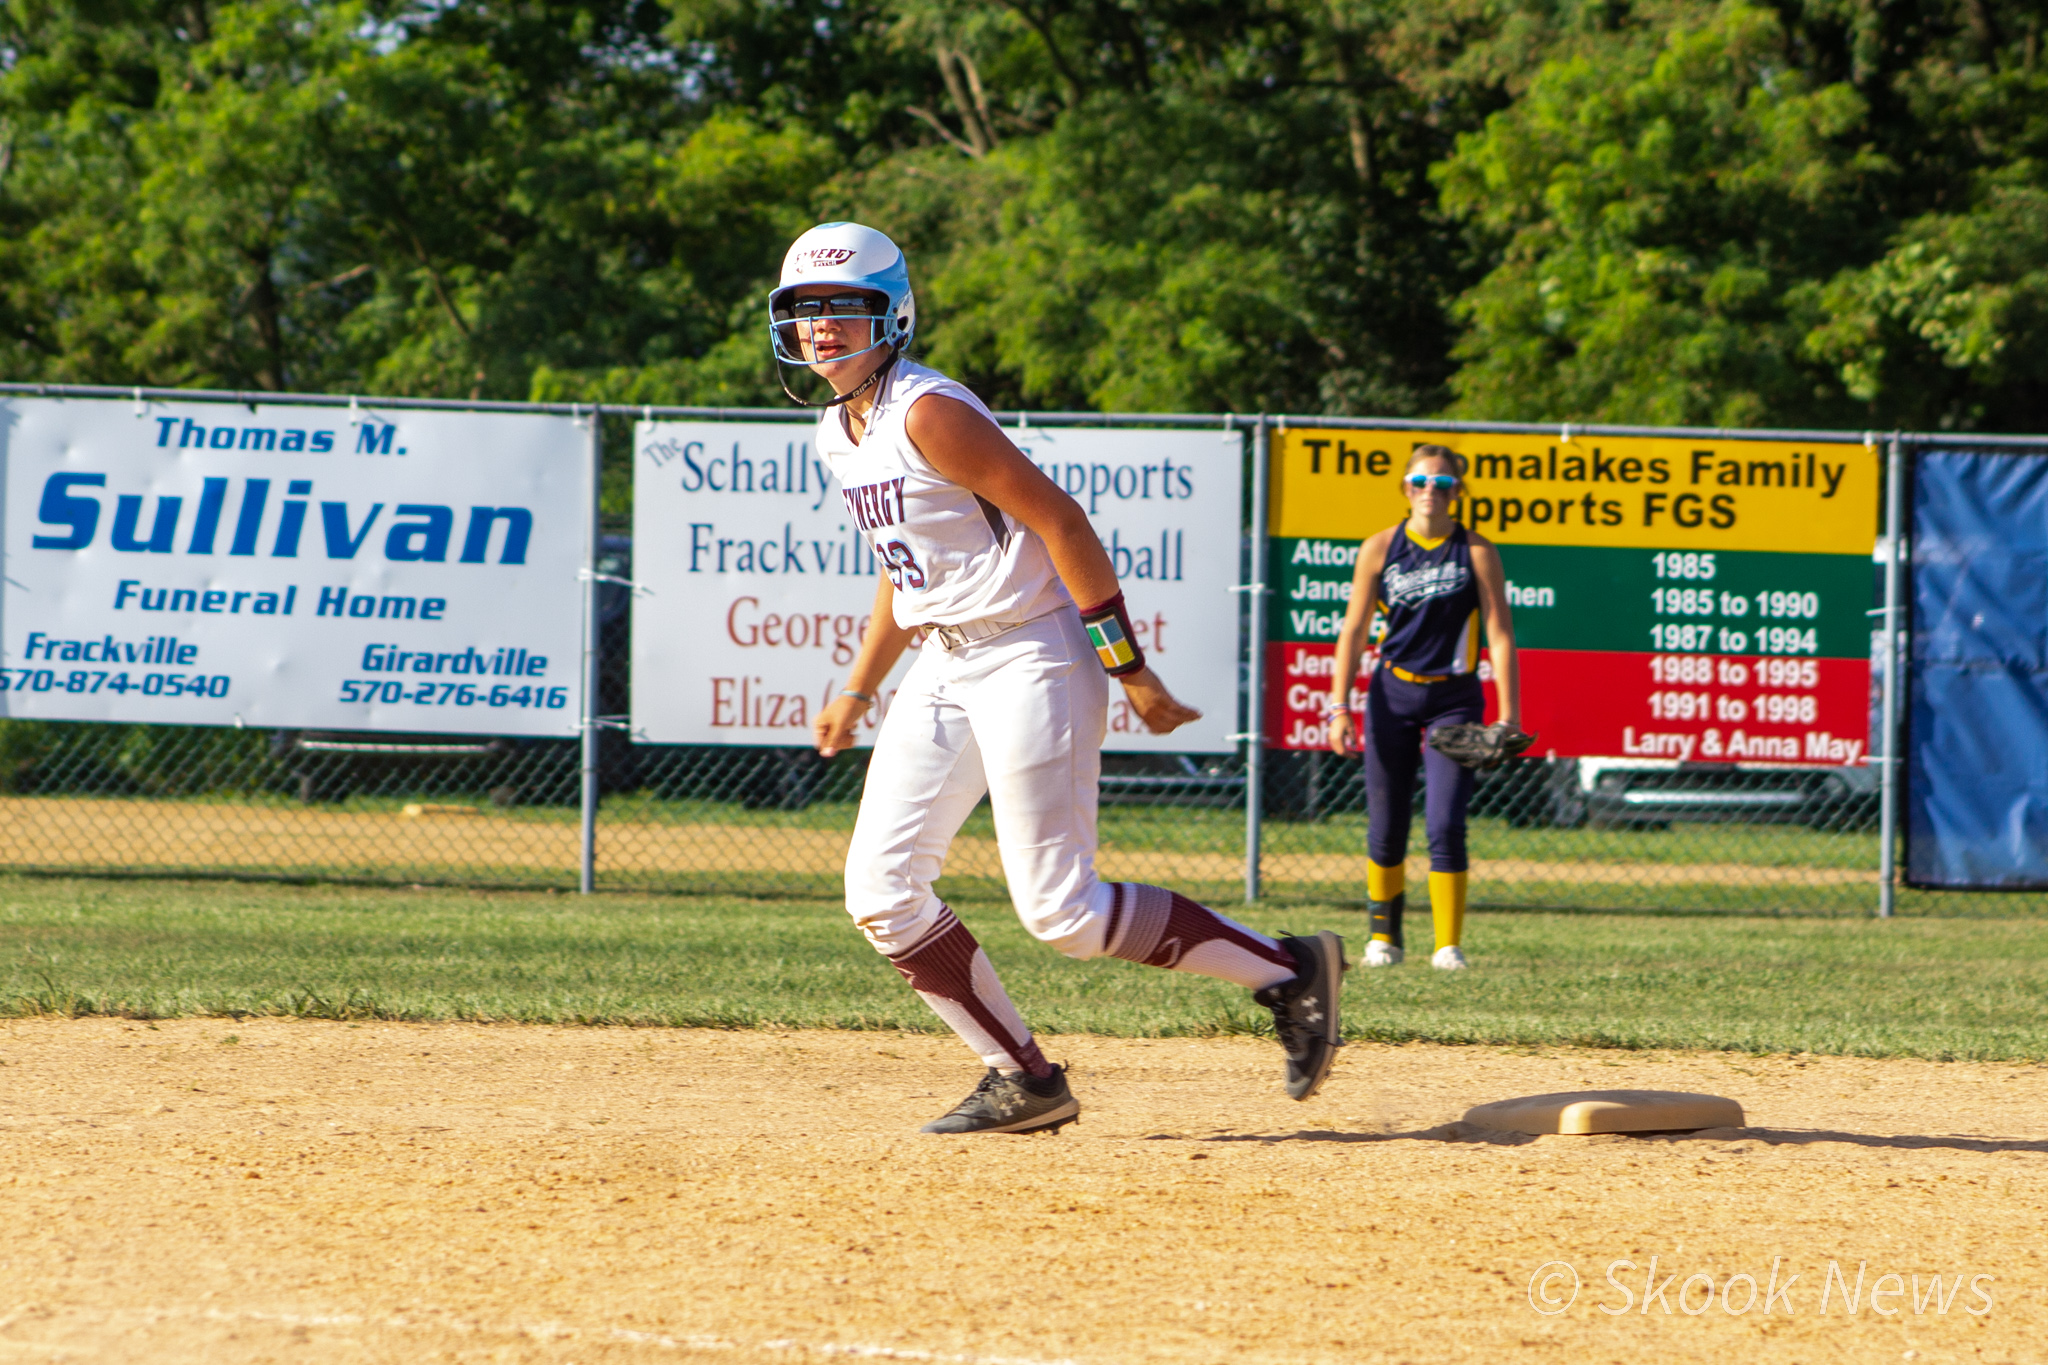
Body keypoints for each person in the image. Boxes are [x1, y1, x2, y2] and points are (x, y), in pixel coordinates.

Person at [778, 221, 1346, 1134]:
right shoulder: (833, 433)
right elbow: (905, 569)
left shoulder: (928, 409)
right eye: (806, 309)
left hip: (1029, 650)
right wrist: (856, 687)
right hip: (946, 660)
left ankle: (1292, 968)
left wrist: (1132, 670)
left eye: (846, 307)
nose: (823, 326)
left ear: (895, 314)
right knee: (880, 891)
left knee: (1062, 912)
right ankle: (1026, 1079)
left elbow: (1060, 521)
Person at [1325, 445, 1520, 970]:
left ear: (1458, 492)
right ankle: (1382, 938)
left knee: (1444, 823)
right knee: (1385, 823)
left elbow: (1499, 634)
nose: (1431, 491)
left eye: (1444, 484)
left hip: (1453, 699)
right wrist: (1337, 706)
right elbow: (1354, 628)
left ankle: (1447, 946)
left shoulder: (1475, 550)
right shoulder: (1380, 547)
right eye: (1421, 481)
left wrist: (1509, 715)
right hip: (1393, 694)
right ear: (1405, 488)